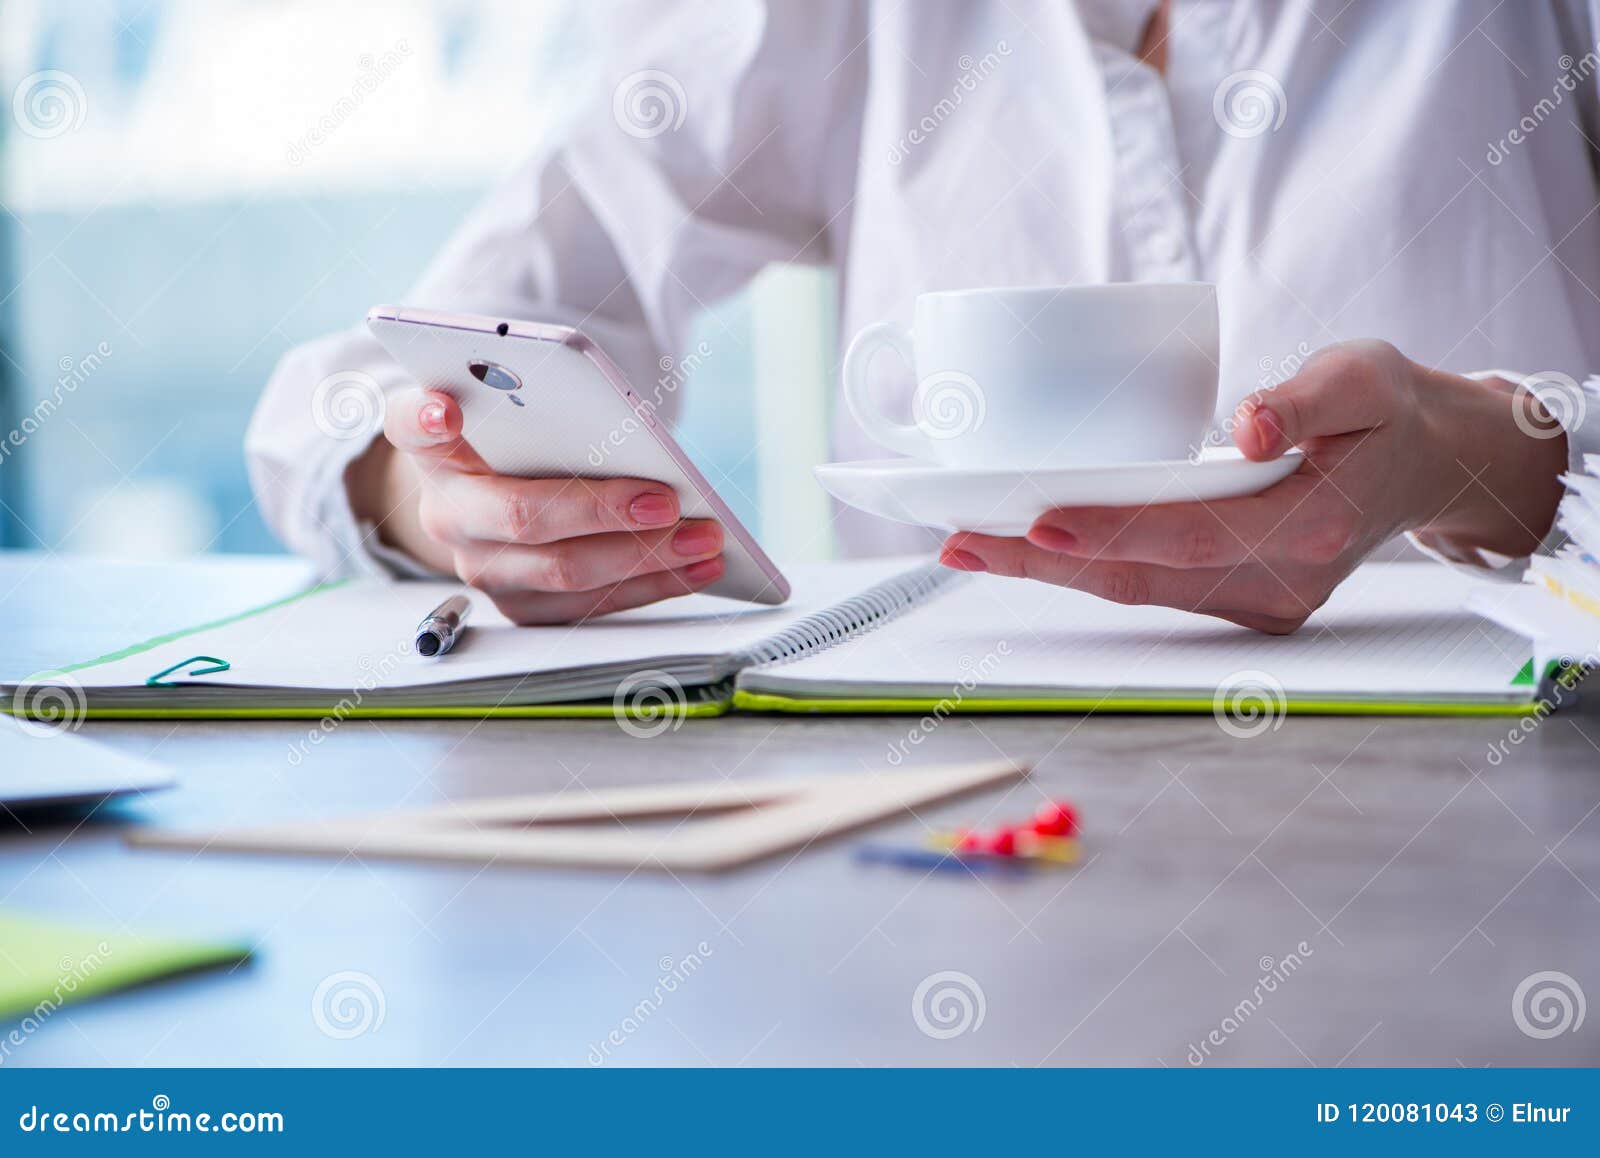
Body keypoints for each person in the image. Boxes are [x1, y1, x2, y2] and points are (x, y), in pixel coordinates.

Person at [248, 0, 1599, 633]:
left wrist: (1489, 450)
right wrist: (435, 491)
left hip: (1505, 814)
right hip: (958, 821)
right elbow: (425, 350)